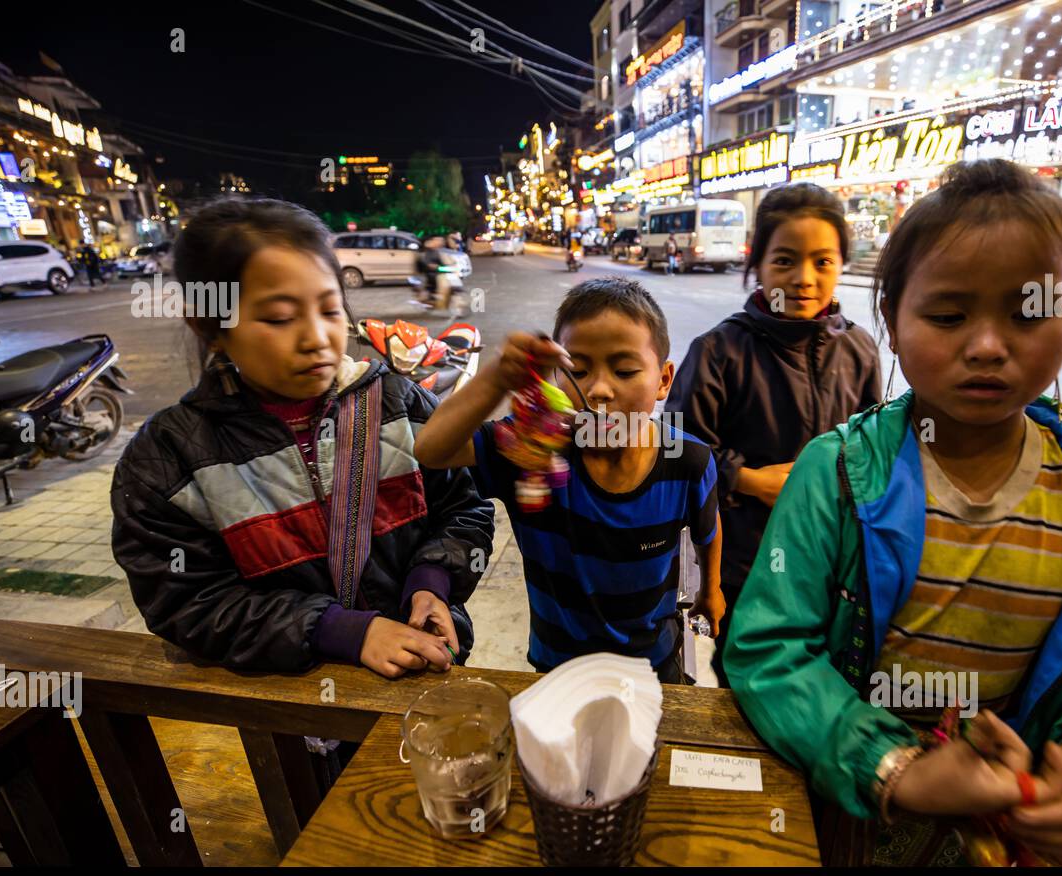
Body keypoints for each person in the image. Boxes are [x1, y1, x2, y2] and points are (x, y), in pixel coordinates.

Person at [723, 159, 1062, 866]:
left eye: (1028, 311)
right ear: (893, 318)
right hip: (847, 824)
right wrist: (891, 765)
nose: (987, 346)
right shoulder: (836, 475)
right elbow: (767, 649)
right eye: (949, 315)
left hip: (1020, 838)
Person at [111, 198, 494, 683]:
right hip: (286, 708)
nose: (316, 338)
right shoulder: (167, 461)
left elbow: (464, 509)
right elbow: (187, 604)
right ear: (210, 327)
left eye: (330, 309)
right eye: (278, 318)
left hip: (422, 675)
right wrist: (339, 631)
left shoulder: (401, 405)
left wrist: (432, 581)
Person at [415, 277, 723, 683]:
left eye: (625, 370)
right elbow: (431, 450)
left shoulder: (688, 460)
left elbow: (708, 529)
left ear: (664, 379)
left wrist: (711, 591)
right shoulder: (532, 449)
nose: (598, 390)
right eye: (577, 370)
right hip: (558, 668)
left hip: (653, 664)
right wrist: (498, 379)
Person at [665, 182, 881, 682]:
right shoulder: (718, 351)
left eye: (822, 262)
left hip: (833, 564)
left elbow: (875, 444)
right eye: (785, 260)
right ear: (757, 262)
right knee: (752, 679)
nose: (804, 279)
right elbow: (676, 448)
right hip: (743, 565)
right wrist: (747, 480)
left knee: (826, 679)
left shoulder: (861, 350)